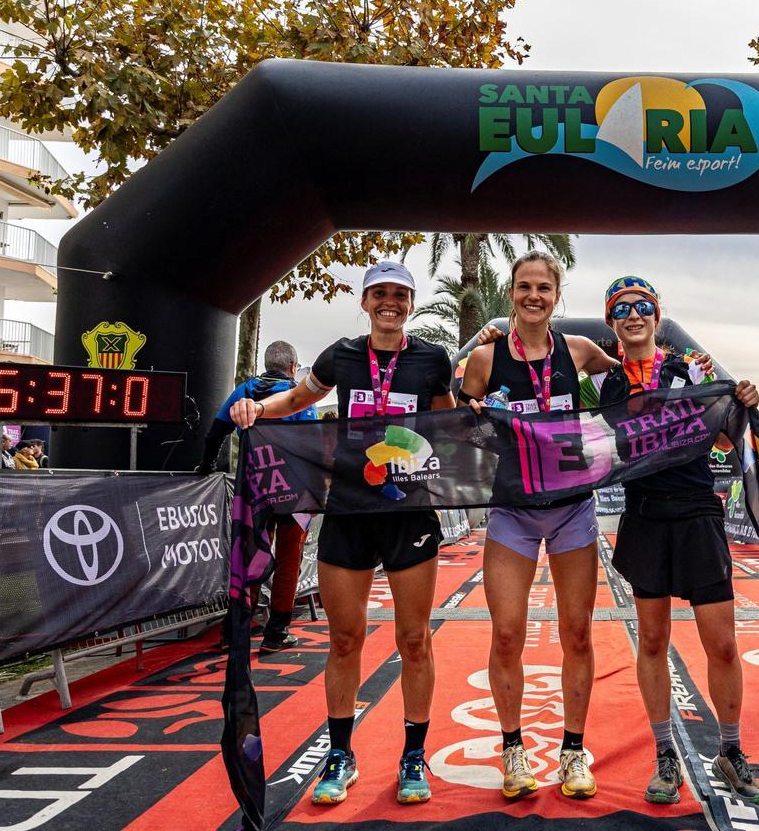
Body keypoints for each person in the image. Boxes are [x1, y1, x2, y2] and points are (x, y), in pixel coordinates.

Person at [229, 262, 455, 806]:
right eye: (379, 293)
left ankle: (412, 756)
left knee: (415, 639)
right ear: (365, 301)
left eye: (399, 295)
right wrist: (257, 406)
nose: (389, 303)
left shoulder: (431, 359)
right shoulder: (342, 354)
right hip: (348, 510)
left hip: (409, 513)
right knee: (346, 639)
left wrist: (472, 434)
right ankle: (340, 754)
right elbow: (298, 399)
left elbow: (448, 426)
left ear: (410, 302)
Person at [582, 276, 759, 806]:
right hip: (644, 517)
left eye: (642, 307)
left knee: (723, 643)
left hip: (697, 515)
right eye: (622, 310)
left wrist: (745, 398)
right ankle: (665, 754)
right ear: (613, 323)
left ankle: (730, 752)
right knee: (653, 641)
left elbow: (731, 431)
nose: (633, 316)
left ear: (657, 316)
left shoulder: (693, 367)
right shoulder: (609, 385)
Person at [458, 251, 619, 800]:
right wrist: (474, 420)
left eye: (544, 288)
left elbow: (644, 373)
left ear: (557, 295)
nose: (534, 296)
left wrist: (707, 380)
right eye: (524, 286)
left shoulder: (580, 352)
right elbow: (456, 416)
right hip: (512, 512)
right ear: (511, 293)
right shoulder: (484, 358)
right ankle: (513, 750)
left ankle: (573, 753)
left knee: (577, 632)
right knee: (506, 633)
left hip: (573, 506)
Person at [199, 340, 318, 653]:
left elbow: (216, 433)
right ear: (293, 367)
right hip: (294, 491)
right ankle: (276, 632)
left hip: (254, 488)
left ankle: (236, 629)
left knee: (248, 554)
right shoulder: (300, 395)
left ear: (266, 365)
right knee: (289, 560)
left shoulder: (243, 391)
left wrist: (205, 467)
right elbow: (312, 444)